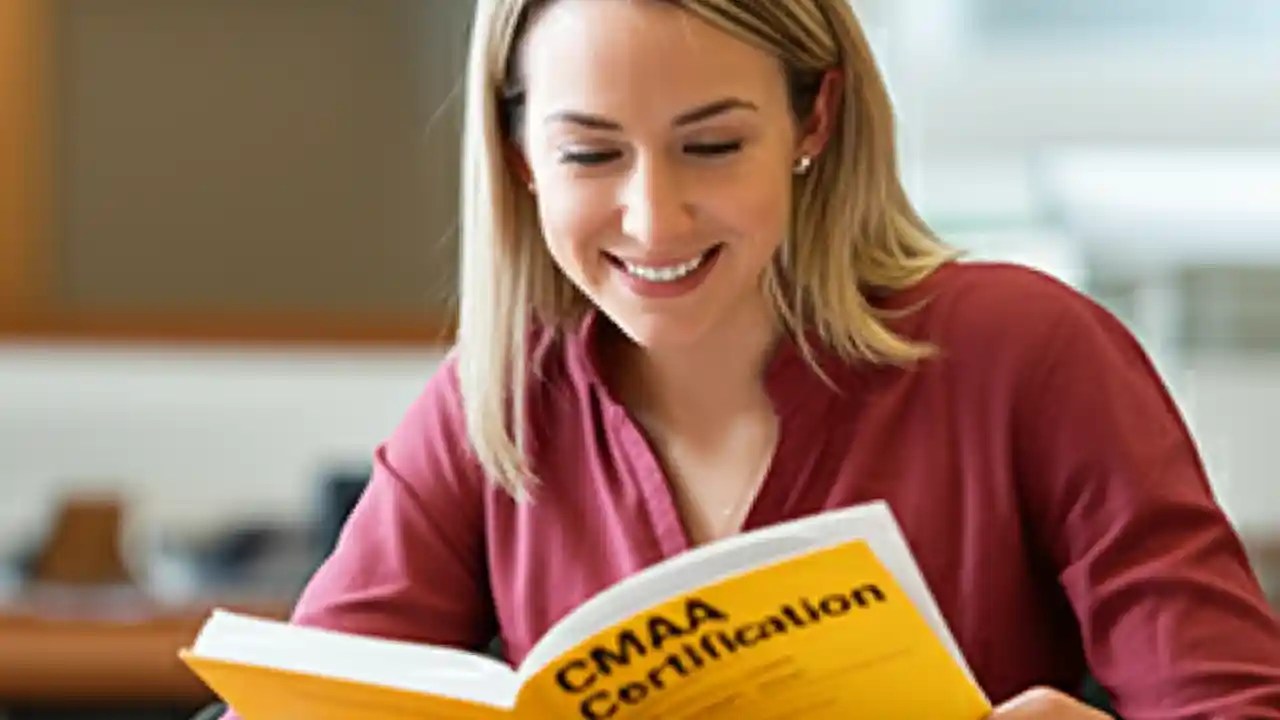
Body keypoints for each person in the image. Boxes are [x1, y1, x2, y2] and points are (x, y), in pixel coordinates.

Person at [219, 0, 1280, 717]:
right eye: (589, 153)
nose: (652, 217)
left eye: (712, 146)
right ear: (519, 159)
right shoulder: (494, 408)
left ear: (812, 119)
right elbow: (309, 695)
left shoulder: (1028, 354)